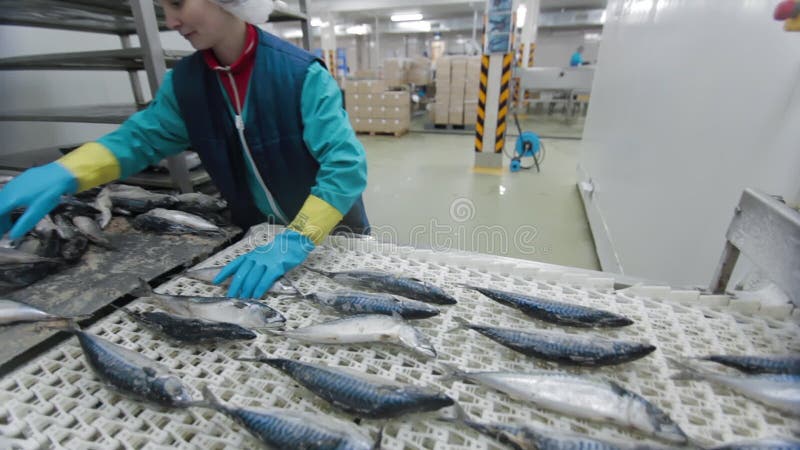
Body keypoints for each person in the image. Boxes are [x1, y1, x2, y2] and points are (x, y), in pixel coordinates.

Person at [0, 0, 369, 299]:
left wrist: (298, 237)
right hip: (255, 235)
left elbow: (344, 167)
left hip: (328, 233)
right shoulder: (187, 82)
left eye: (178, 3)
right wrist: (68, 171)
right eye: (163, 8)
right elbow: (141, 139)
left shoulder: (300, 73)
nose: (171, 20)